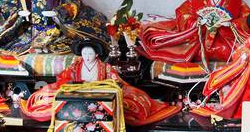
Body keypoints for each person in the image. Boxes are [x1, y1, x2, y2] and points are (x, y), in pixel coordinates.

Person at [19, 37, 179, 126]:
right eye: (85, 53)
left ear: (96, 55)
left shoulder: (105, 67)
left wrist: (112, 87)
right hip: (77, 95)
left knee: (135, 102)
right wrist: (70, 86)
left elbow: (116, 81)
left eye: (90, 53)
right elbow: (63, 79)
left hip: (101, 95)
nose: (87, 56)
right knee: (44, 99)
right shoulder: (75, 67)